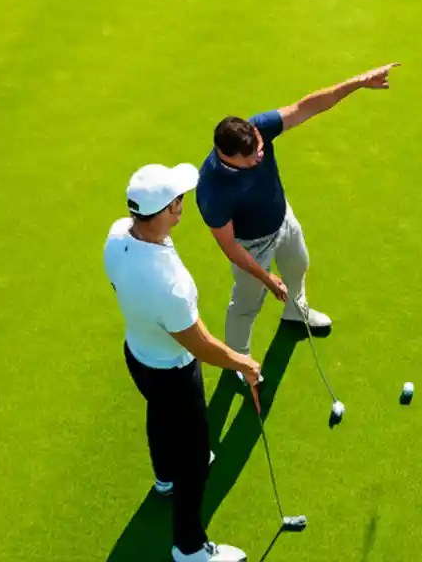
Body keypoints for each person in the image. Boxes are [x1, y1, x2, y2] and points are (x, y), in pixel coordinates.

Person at [103, 163, 261, 562]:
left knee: (158, 414)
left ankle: (163, 478)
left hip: (137, 355)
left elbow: (120, 285)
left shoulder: (117, 235)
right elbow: (201, 345)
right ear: (170, 210)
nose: (182, 204)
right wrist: (242, 362)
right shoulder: (169, 286)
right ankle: (190, 548)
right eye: (178, 200)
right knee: (196, 463)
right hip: (173, 371)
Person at [196, 63, 400, 355]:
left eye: (260, 149)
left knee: (298, 265)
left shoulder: (259, 129)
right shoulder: (212, 189)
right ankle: (239, 359)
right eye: (253, 157)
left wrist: (358, 82)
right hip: (250, 245)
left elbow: (307, 107)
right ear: (229, 156)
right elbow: (229, 246)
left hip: (282, 218)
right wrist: (267, 279)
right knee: (246, 305)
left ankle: (295, 311)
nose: (260, 155)